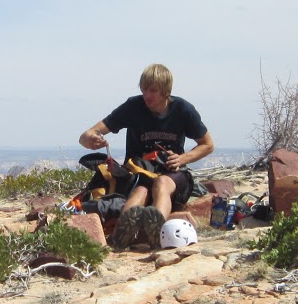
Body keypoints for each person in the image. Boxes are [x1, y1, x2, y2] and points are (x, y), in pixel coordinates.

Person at [79, 63, 215, 248]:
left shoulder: (183, 110)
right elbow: (88, 136)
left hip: (172, 172)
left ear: (166, 91)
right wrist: (90, 139)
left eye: (153, 90)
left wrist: (182, 159)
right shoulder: (133, 107)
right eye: (144, 90)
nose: (147, 96)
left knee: (162, 183)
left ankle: (156, 230)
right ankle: (122, 233)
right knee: (141, 190)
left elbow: (207, 145)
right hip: (139, 173)